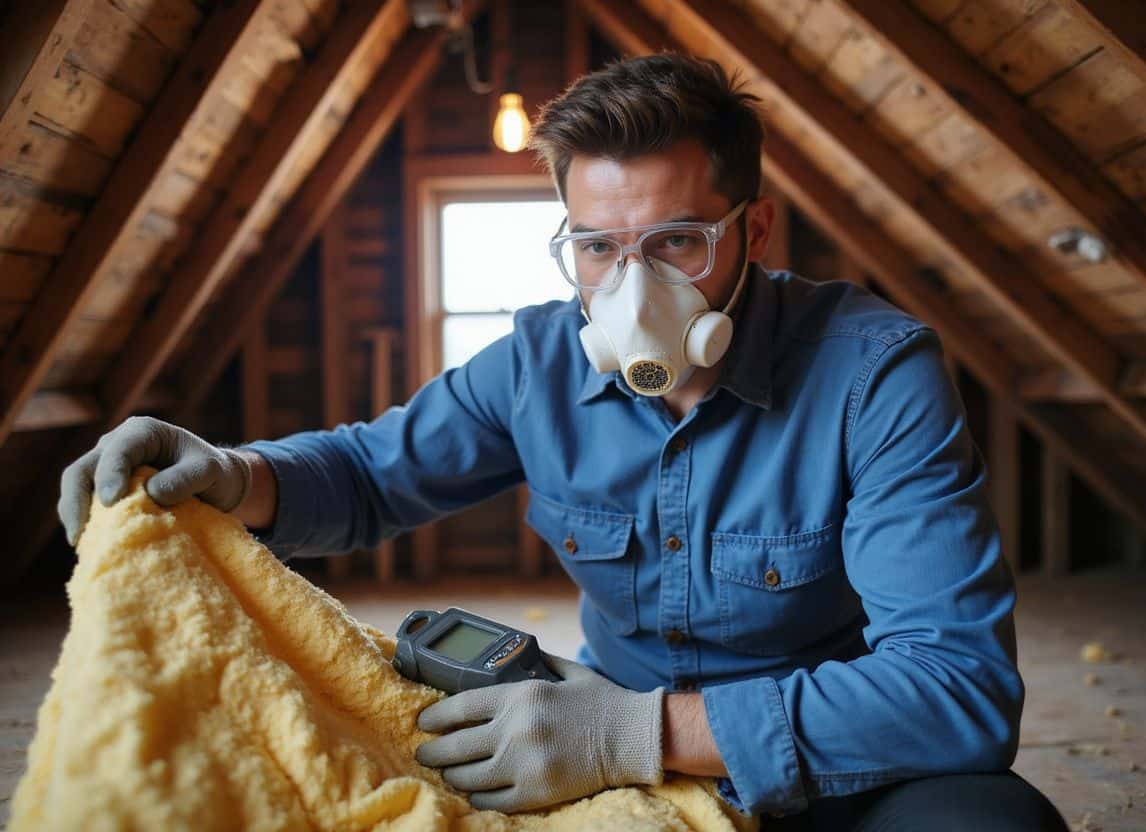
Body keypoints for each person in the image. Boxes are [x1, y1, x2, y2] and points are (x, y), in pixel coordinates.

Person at [59, 54, 1070, 830]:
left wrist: (638, 733)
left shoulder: (874, 371)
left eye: (676, 241)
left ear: (752, 232)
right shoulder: (538, 362)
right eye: (597, 248)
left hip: (819, 767)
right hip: (589, 753)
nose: (632, 288)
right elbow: (370, 474)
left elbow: (955, 687)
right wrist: (233, 471)